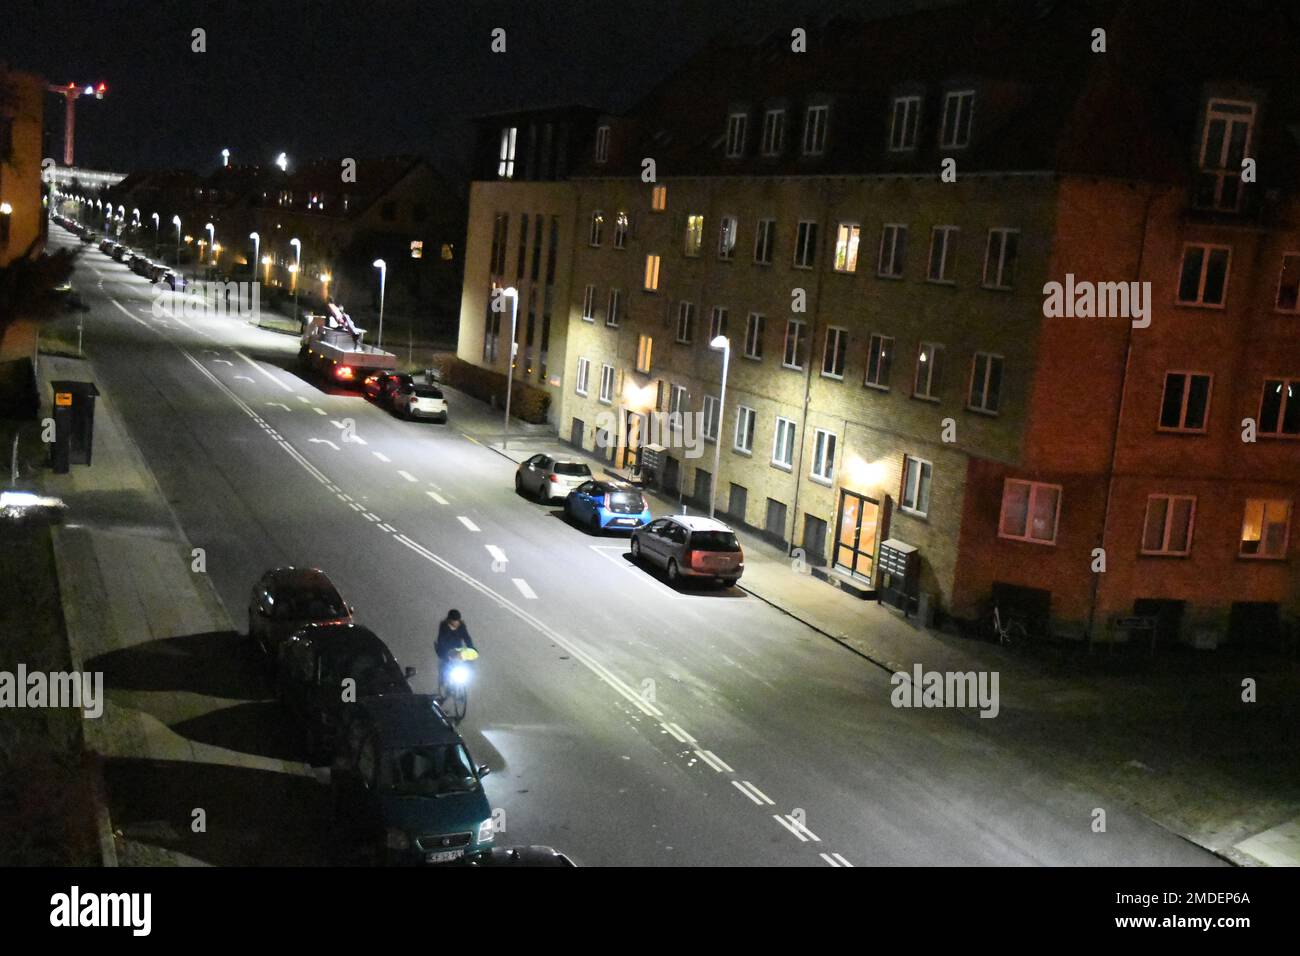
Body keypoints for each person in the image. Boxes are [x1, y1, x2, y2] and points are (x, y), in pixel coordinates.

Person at [435, 610, 475, 693]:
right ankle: (443, 681)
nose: (457, 622)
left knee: (465, 664)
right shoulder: (444, 626)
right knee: (445, 667)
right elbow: (441, 640)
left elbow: (467, 637)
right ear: (450, 620)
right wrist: (446, 655)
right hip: (445, 650)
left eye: (458, 620)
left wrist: (471, 648)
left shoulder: (461, 626)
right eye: (455, 620)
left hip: (457, 650)